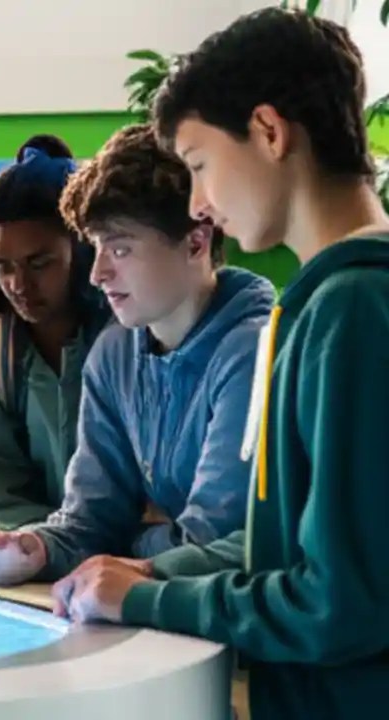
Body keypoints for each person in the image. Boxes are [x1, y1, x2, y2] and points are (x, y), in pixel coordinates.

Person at [52, 9, 389, 719]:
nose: (200, 205)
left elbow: (339, 603)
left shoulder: (354, 308)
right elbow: (280, 549)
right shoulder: (318, 306)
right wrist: (150, 569)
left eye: (200, 165)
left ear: (269, 131)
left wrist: (151, 598)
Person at [0, 122, 274, 588]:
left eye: (120, 249)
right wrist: (33, 548)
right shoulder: (113, 354)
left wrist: (128, 545)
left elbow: (216, 543)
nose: (97, 274)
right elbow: (89, 521)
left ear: (196, 242)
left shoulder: (255, 351)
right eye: (95, 248)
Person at [0, 134, 113, 530]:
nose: (19, 285)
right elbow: (4, 495)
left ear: (83, 250)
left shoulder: (128, 336)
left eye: (39, 263)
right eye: (3, 266)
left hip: (127, 551)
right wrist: (49, 547)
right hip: (37, 549)